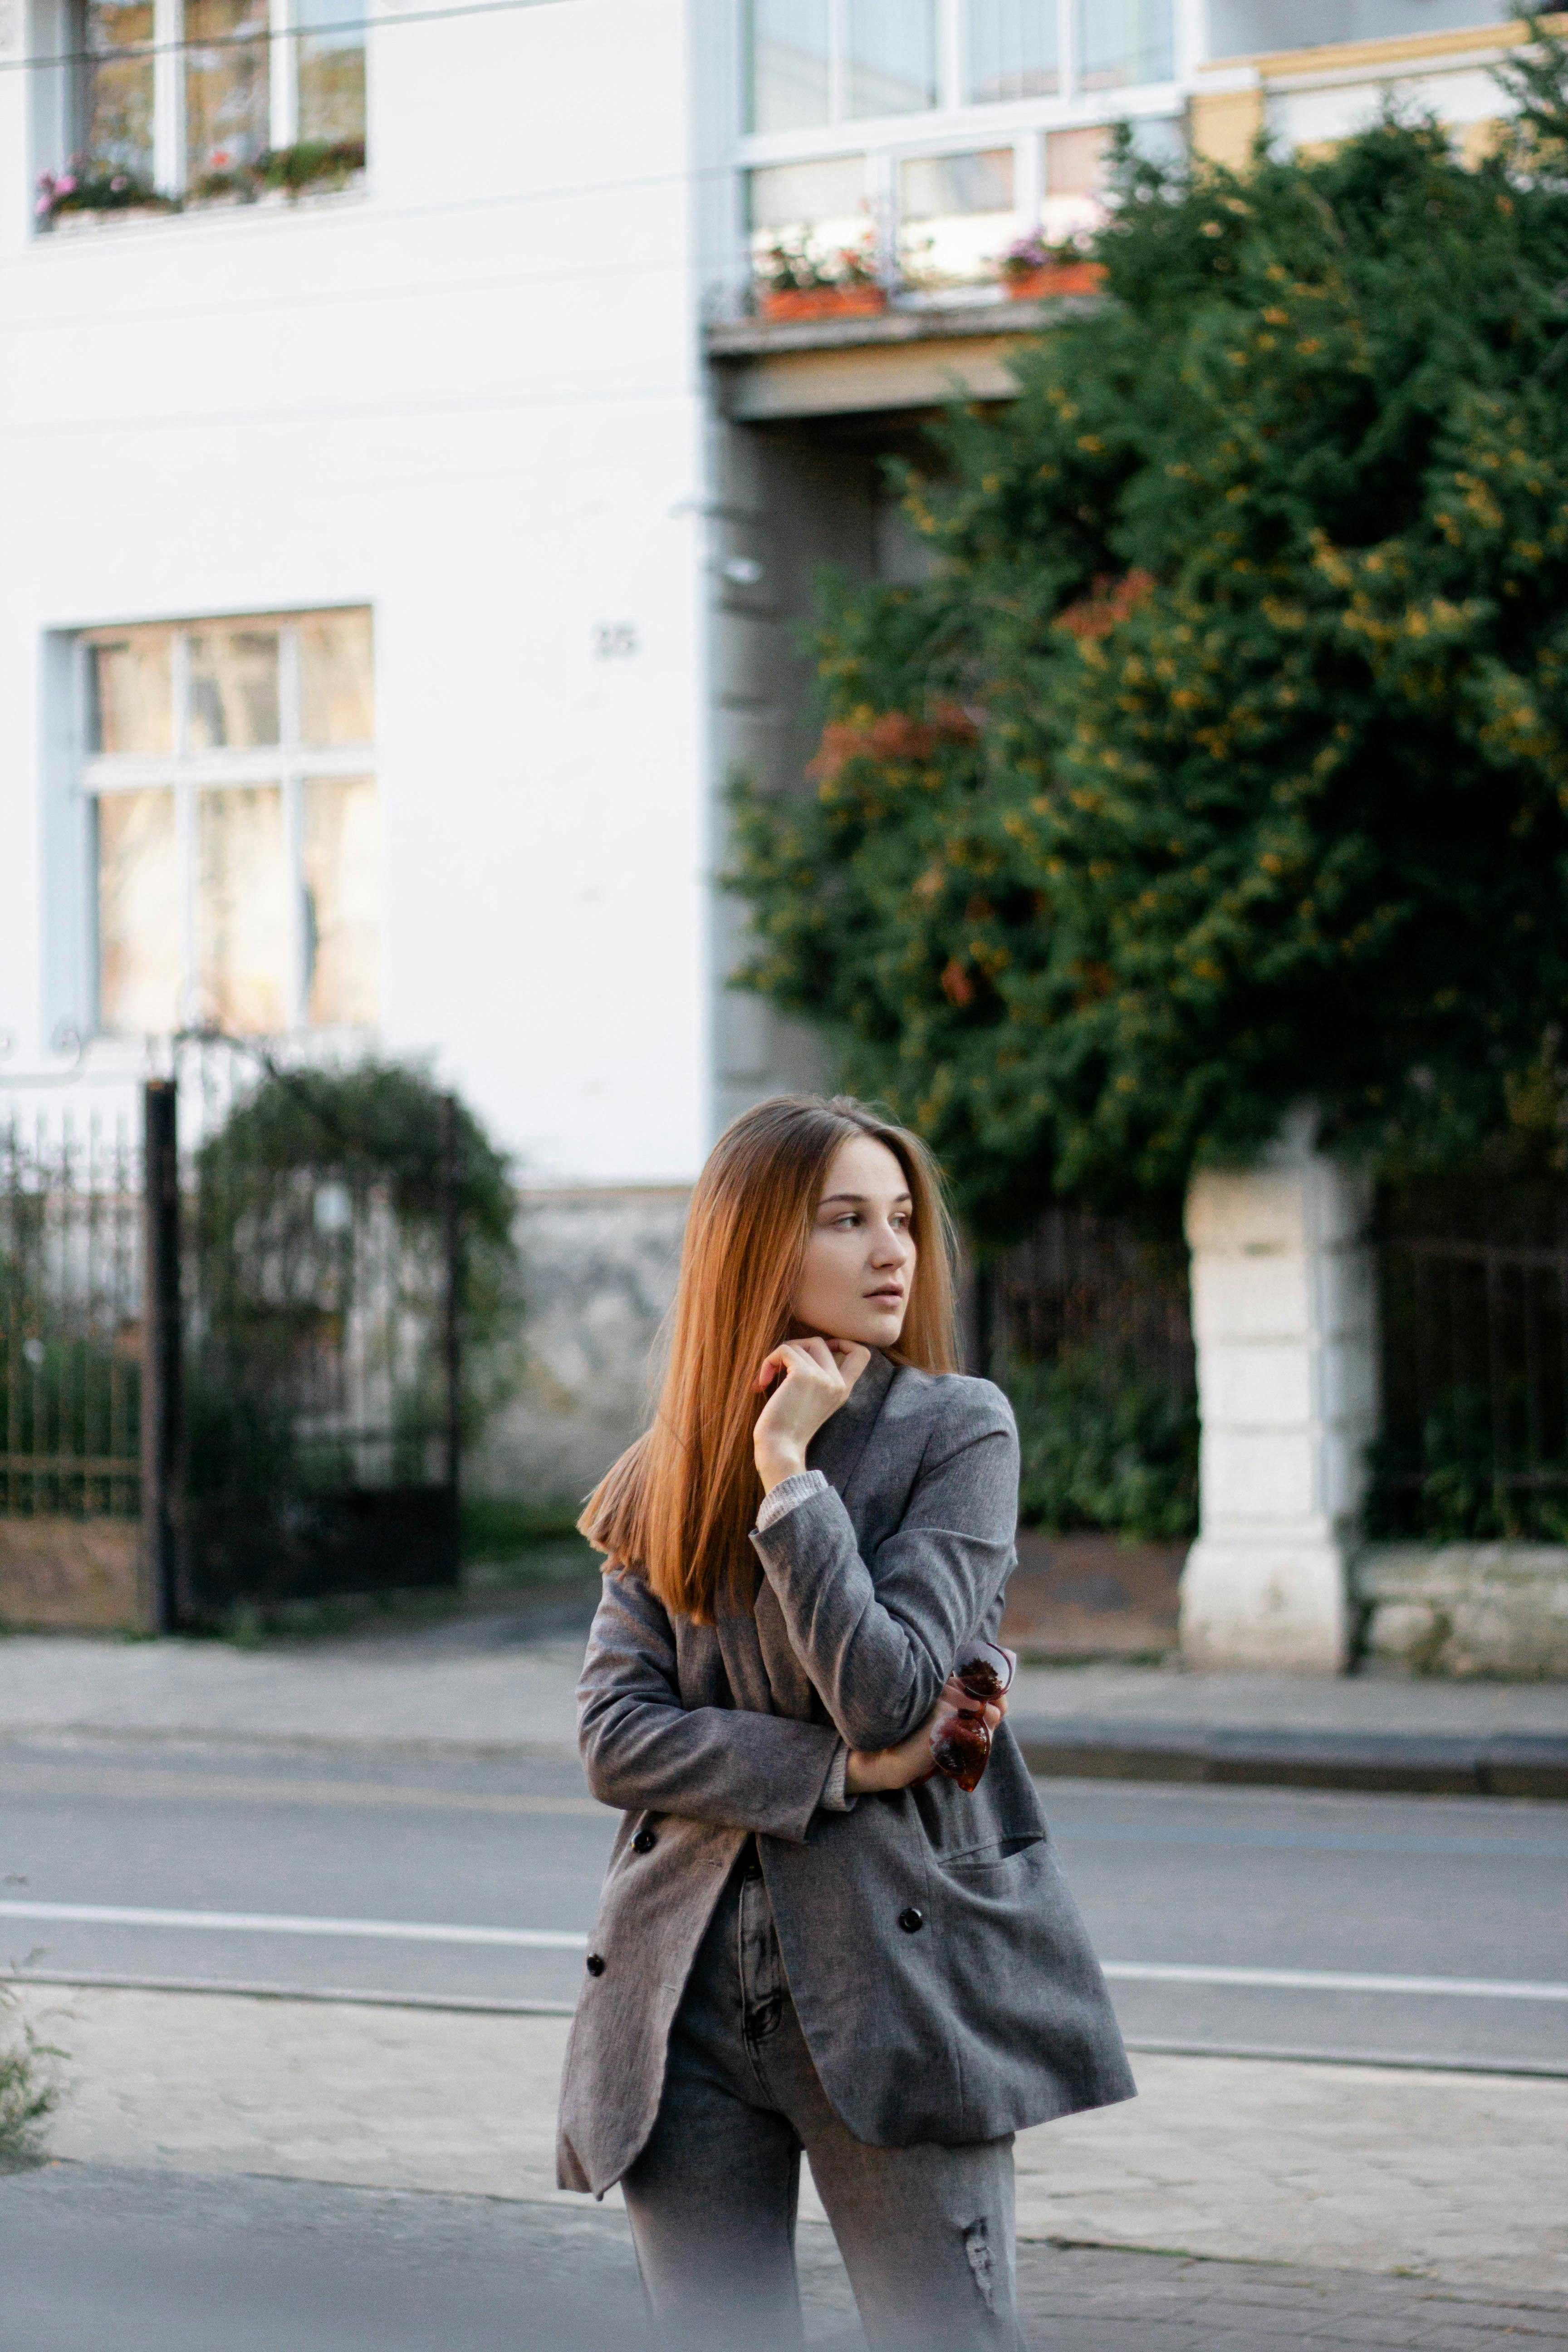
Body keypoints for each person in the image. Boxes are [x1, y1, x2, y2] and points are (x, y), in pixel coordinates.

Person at [557, 1095, 1133, 2350]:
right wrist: (839, 1771)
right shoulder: (667, 1464)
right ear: (759, 1246)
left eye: (902, 1220)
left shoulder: (958, 1429)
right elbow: (615, 1736)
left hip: (895, 1978)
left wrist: (788, 1476)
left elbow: (891, 1690)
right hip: (680, 1995)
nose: (891, 1253)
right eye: (845, 1221)